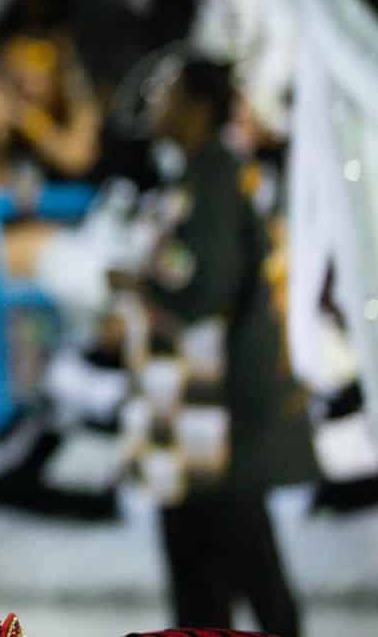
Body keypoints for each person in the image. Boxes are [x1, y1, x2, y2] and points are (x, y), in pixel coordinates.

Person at [133, 57, 315, 636]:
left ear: (197, 108)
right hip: (195, 410)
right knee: (205, 570)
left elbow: (205, 287)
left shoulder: (212, 177)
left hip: (218, 411)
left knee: (241, 564)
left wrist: (143, 284)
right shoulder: (198, 174)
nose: (155, 103)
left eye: (167, 90)